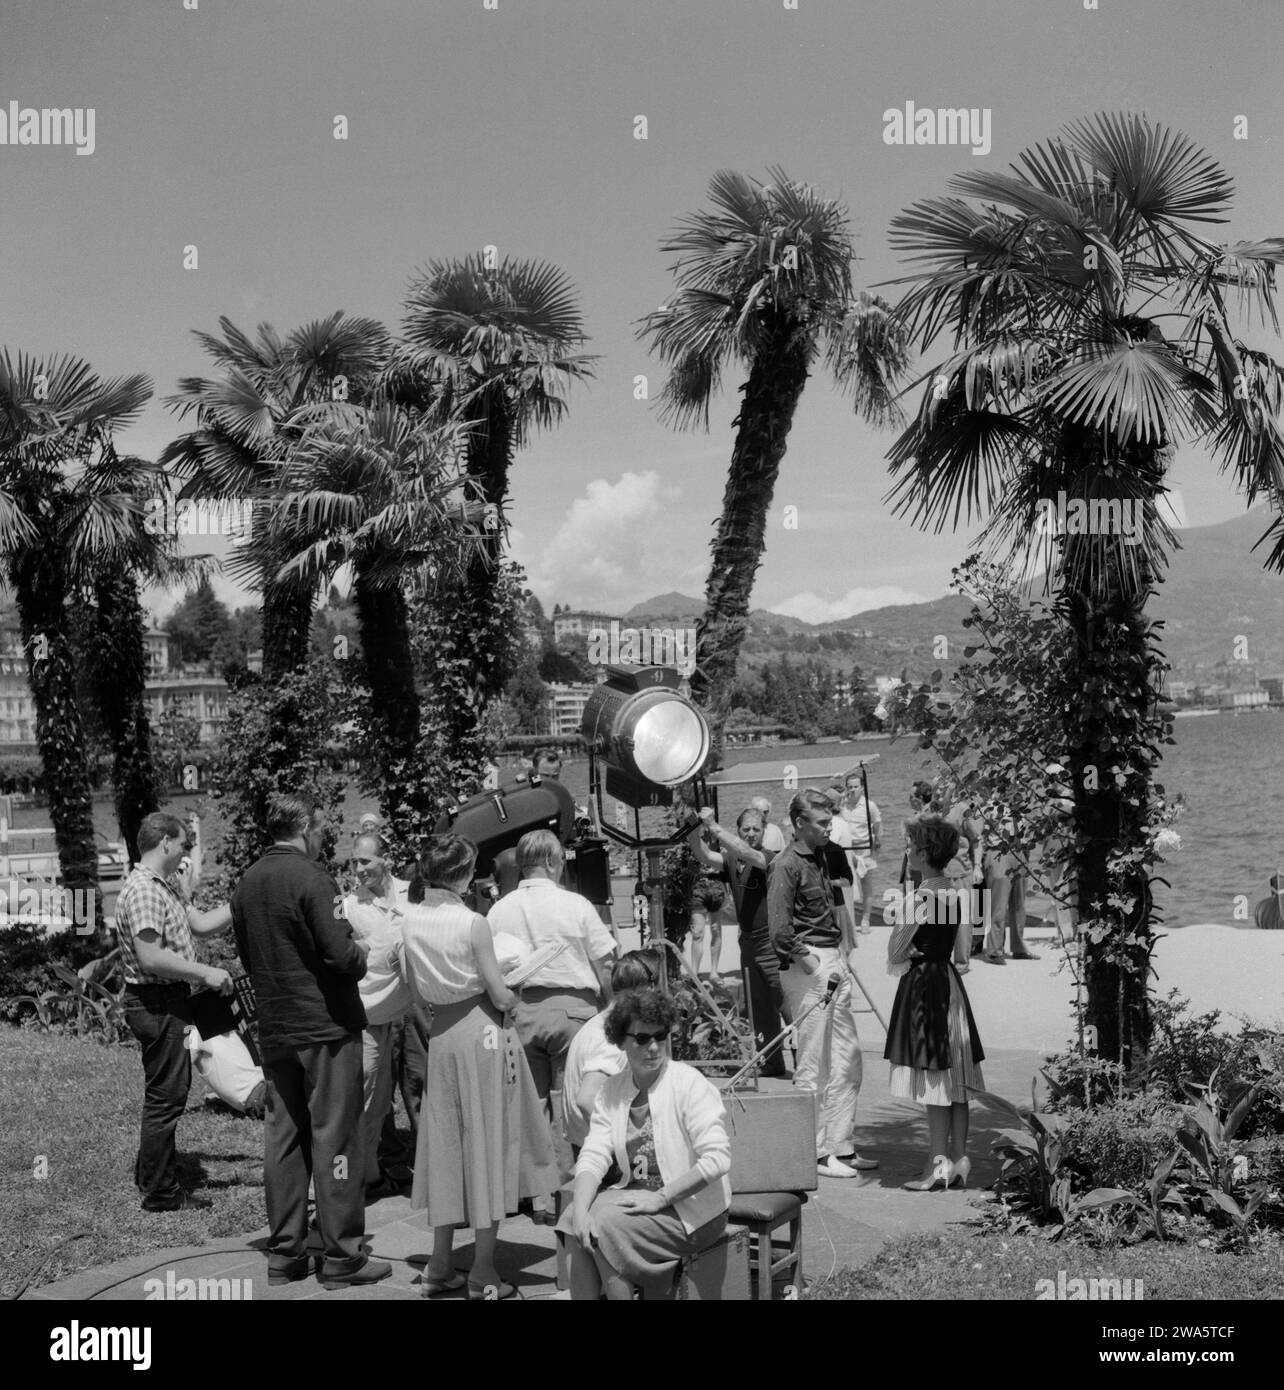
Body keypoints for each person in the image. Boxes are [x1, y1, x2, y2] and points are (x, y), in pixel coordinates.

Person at [232, 792, 389, 1290]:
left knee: (283, 1137)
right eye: (321, 829)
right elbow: (340, 955)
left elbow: (247, 954)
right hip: (325, 1027)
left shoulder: (247, 882)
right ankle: (343, 1254)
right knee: (335, 1135)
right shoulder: (312, 879)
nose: (324, 838)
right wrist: (362, 950)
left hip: (277, 1026)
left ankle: (285, 1252)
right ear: (305, 828)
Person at [400, 834, 557, 1300]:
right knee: (489, 1146)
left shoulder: (408, 920)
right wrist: (518, 987)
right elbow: (500, 992)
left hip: (443, 1033)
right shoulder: (473, 923)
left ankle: (439, 1264)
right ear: (464, 874)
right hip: (482, 1030)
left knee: (447, 1148)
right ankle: (483, 1270)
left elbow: (414, 990)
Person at [562, 987, 731, 1300]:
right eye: (642, 1039)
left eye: (661, 1036)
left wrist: (661, 1198)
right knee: (574, 1219)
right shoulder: (612, 1089)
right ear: (621, 1040)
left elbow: (717, 1160)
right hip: (636, 1198)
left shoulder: (689, 1083)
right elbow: (594, 1155)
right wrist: (582, 1209)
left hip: (692, 1212)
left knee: (604, 1227)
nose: (653, 1047)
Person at [487, 828, 616, 1223]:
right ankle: (572, 1188)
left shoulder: (499, 909)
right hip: (573, 1009)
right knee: (572, 1102)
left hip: (520, 1008)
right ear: (553, 862)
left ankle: (537, 1195)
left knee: (529, 1104)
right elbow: (605, 962)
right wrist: (611, 1005)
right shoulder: (575, 904)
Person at [115, 812, 235, 1212]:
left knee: (166, 1092)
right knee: (166, 1097)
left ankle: (151, 1175)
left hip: (165, 1002)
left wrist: (244, 901)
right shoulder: (145, 891)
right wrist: (207, 973)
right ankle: (161, 1193)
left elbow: (198, 926)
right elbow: (150, 957)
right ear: (164, 842)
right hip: (158, 1003)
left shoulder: (161, 887)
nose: (186, 853)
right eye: (184, 844)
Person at [767, 789, 876, 1178]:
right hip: (809, 965)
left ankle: (839, 1144)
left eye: (830, 821)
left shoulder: (824, 855)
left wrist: (840, 951)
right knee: (813, 1062)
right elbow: (778, 929)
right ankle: (811, 1154)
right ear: (799, 824)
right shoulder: (786, 865)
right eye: (822, 822)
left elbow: (835, 906)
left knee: (848, 1059)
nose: (829, 828)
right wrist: (809, 958)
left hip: (832, 957)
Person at [885, 815, 986, 1192]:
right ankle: (960, 1158)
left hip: (926, 987)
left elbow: (895, 951)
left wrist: (906, 943)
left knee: (937, 1080)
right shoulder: (953, 894)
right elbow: (959, 948)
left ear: (925, 852)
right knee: (957, 1079)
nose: (908, 850)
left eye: (912, 844)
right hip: (949, 983)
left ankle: (937, 1163)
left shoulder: (920, 897)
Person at [342, 831, 415, 1200]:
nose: (358, 869)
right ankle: (348, 1179)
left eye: (365, 861)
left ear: (386, 860)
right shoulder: (349, 906)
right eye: (354, 861)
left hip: (401, 1014)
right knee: (365, 1097)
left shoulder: (410, 894)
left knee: (389, 1097)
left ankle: (370, 1172)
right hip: (365, 1018)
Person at [689, 806, 785, 1077]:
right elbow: (704, 855)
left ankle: (811, 1063)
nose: (751, 833)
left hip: (771, 942)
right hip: (749, 943)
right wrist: (696, 829)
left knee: (786, 1002)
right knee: (759, 1007)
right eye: (746, 829)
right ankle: (771, 1063)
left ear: (764, 832)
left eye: (756, 829)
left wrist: (714, 826)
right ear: (739, 829)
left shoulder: (767, 857)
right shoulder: (731, 859)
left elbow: (745, 852)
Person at [561, 950, 662, 1157]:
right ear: (648, 988)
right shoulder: (612, 1039)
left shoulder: (602, 1022)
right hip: (603, 1156)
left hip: (584, 1143)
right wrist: (625, 1145)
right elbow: (586, 1099)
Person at [982, 808, 1039, 961]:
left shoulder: (1022, 806)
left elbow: (1028, 834)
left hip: (1019, 853)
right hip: (998, 852)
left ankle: (1019, 948)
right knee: (998, 906)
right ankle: (995, 951)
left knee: (1019, 906)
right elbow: (981, 835)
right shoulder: (990, 805)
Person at [836, 772, 881, 932]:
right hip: (848, 850)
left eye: (856, 786)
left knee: (867, 886)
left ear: (861, 787)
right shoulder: (843, 806)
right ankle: (849, 920)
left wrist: (877, 844)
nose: (853, 790)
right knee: (848, 885)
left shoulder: (870, 806)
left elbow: (877, 826)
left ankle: (866, 920)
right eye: (850, 787)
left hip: (865, 849)